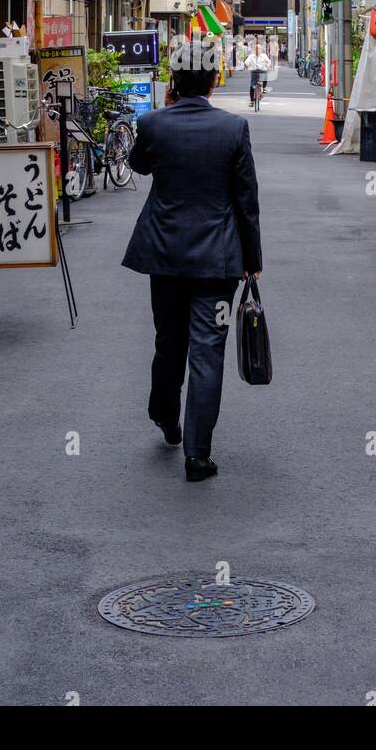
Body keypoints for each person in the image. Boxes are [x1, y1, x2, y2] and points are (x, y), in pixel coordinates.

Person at [122, 38, 263, 482]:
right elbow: (247, 200)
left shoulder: (153, 123)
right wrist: (251, 259)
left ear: (173, 82)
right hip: (218, 262)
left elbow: (139, 166)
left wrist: (164, 109)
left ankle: (166, 418)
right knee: (207, 351)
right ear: (216, 80)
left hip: (164, 257)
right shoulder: (233, 128)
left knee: (169, 341)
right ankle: (198, 455)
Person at [248, 40, 271, 107]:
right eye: (256, 49)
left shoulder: (264, 55)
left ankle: (263, 88)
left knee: (265, 77)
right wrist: (246, 64)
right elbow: (247, 62)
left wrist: (268, 65)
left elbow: (269, 62)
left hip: (262, 71)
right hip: (254, 72)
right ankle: (252, 101)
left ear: (261, 50)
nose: (258, 50)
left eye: (259, 49)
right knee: (252, 86)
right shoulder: (251, 56)